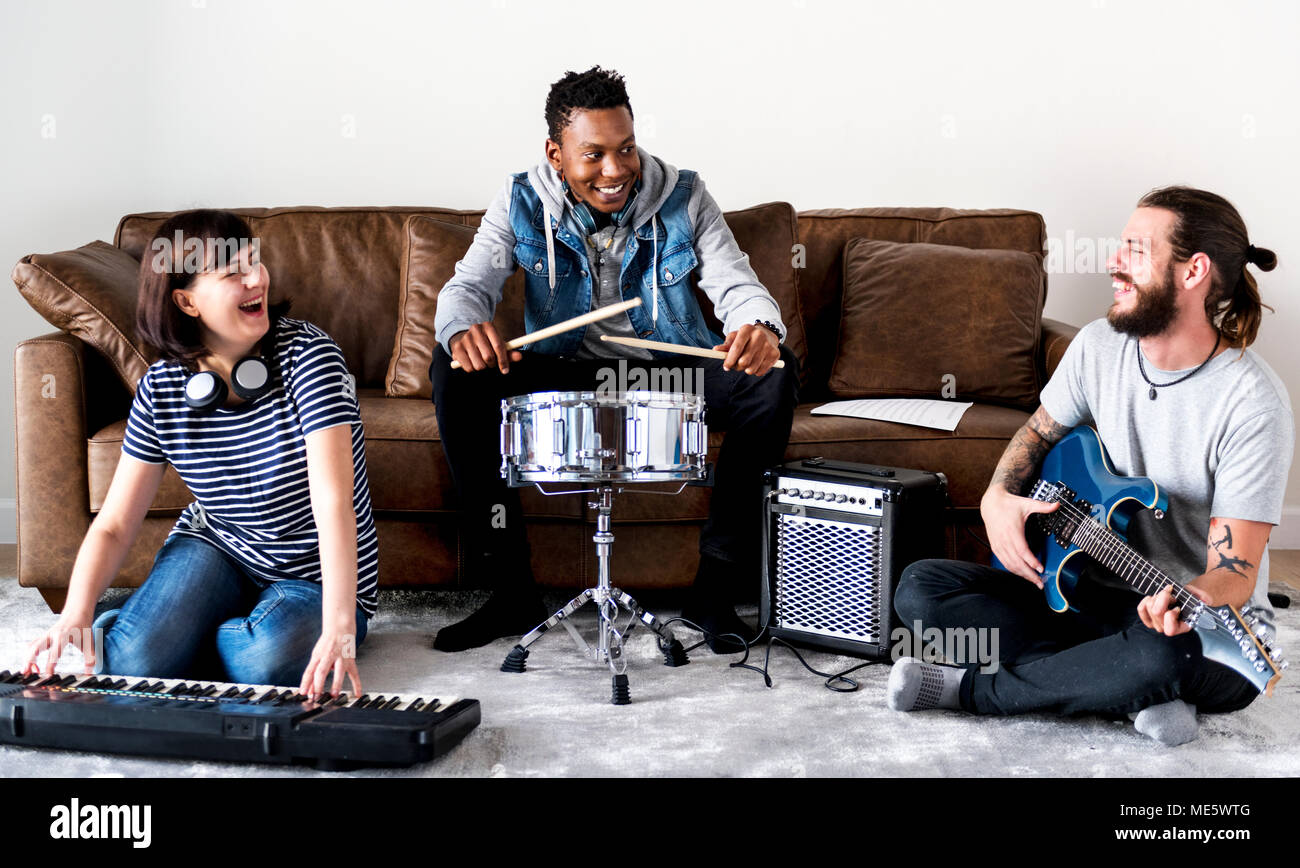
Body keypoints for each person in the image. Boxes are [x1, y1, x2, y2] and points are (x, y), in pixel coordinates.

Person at [887, 186, 1294, 745]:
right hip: (1089, 595)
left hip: (1196, 628)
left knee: (1159, 653)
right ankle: (1122, 691)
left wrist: (1184, 602)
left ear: (1193, 271)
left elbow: (1235, 573)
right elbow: (1037, 432)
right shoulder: (1099, 347)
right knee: (920, 589)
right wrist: (997, 498)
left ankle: (973, 691)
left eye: (1134, 250)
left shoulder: (1252, 402)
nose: (1113, 262)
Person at [430, 67, 799, 653]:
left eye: (625, 148)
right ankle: (510, 591)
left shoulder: (684, 194)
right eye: (594, 155)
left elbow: (736, 283)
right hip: (563, 369)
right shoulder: (520, 197)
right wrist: (462, 329)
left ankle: (715, 589)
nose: (616, 169)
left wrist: (757, 324)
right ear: (556, 153)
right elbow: (467, 285)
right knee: (456, 374)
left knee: (772, 377)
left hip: (662, 372)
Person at [23, 210, 377, 699]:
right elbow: (114, 523)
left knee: (265, 664)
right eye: (234, 272)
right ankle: (154, 633)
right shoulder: (162, 387)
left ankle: (178, 636)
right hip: (217, 549)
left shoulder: (310, 355)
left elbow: (333, 503)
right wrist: (76, 614)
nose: (257, 279)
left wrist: (339, 628)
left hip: (312, 576)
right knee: (131, 661)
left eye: (255, 261)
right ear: (187, 301)